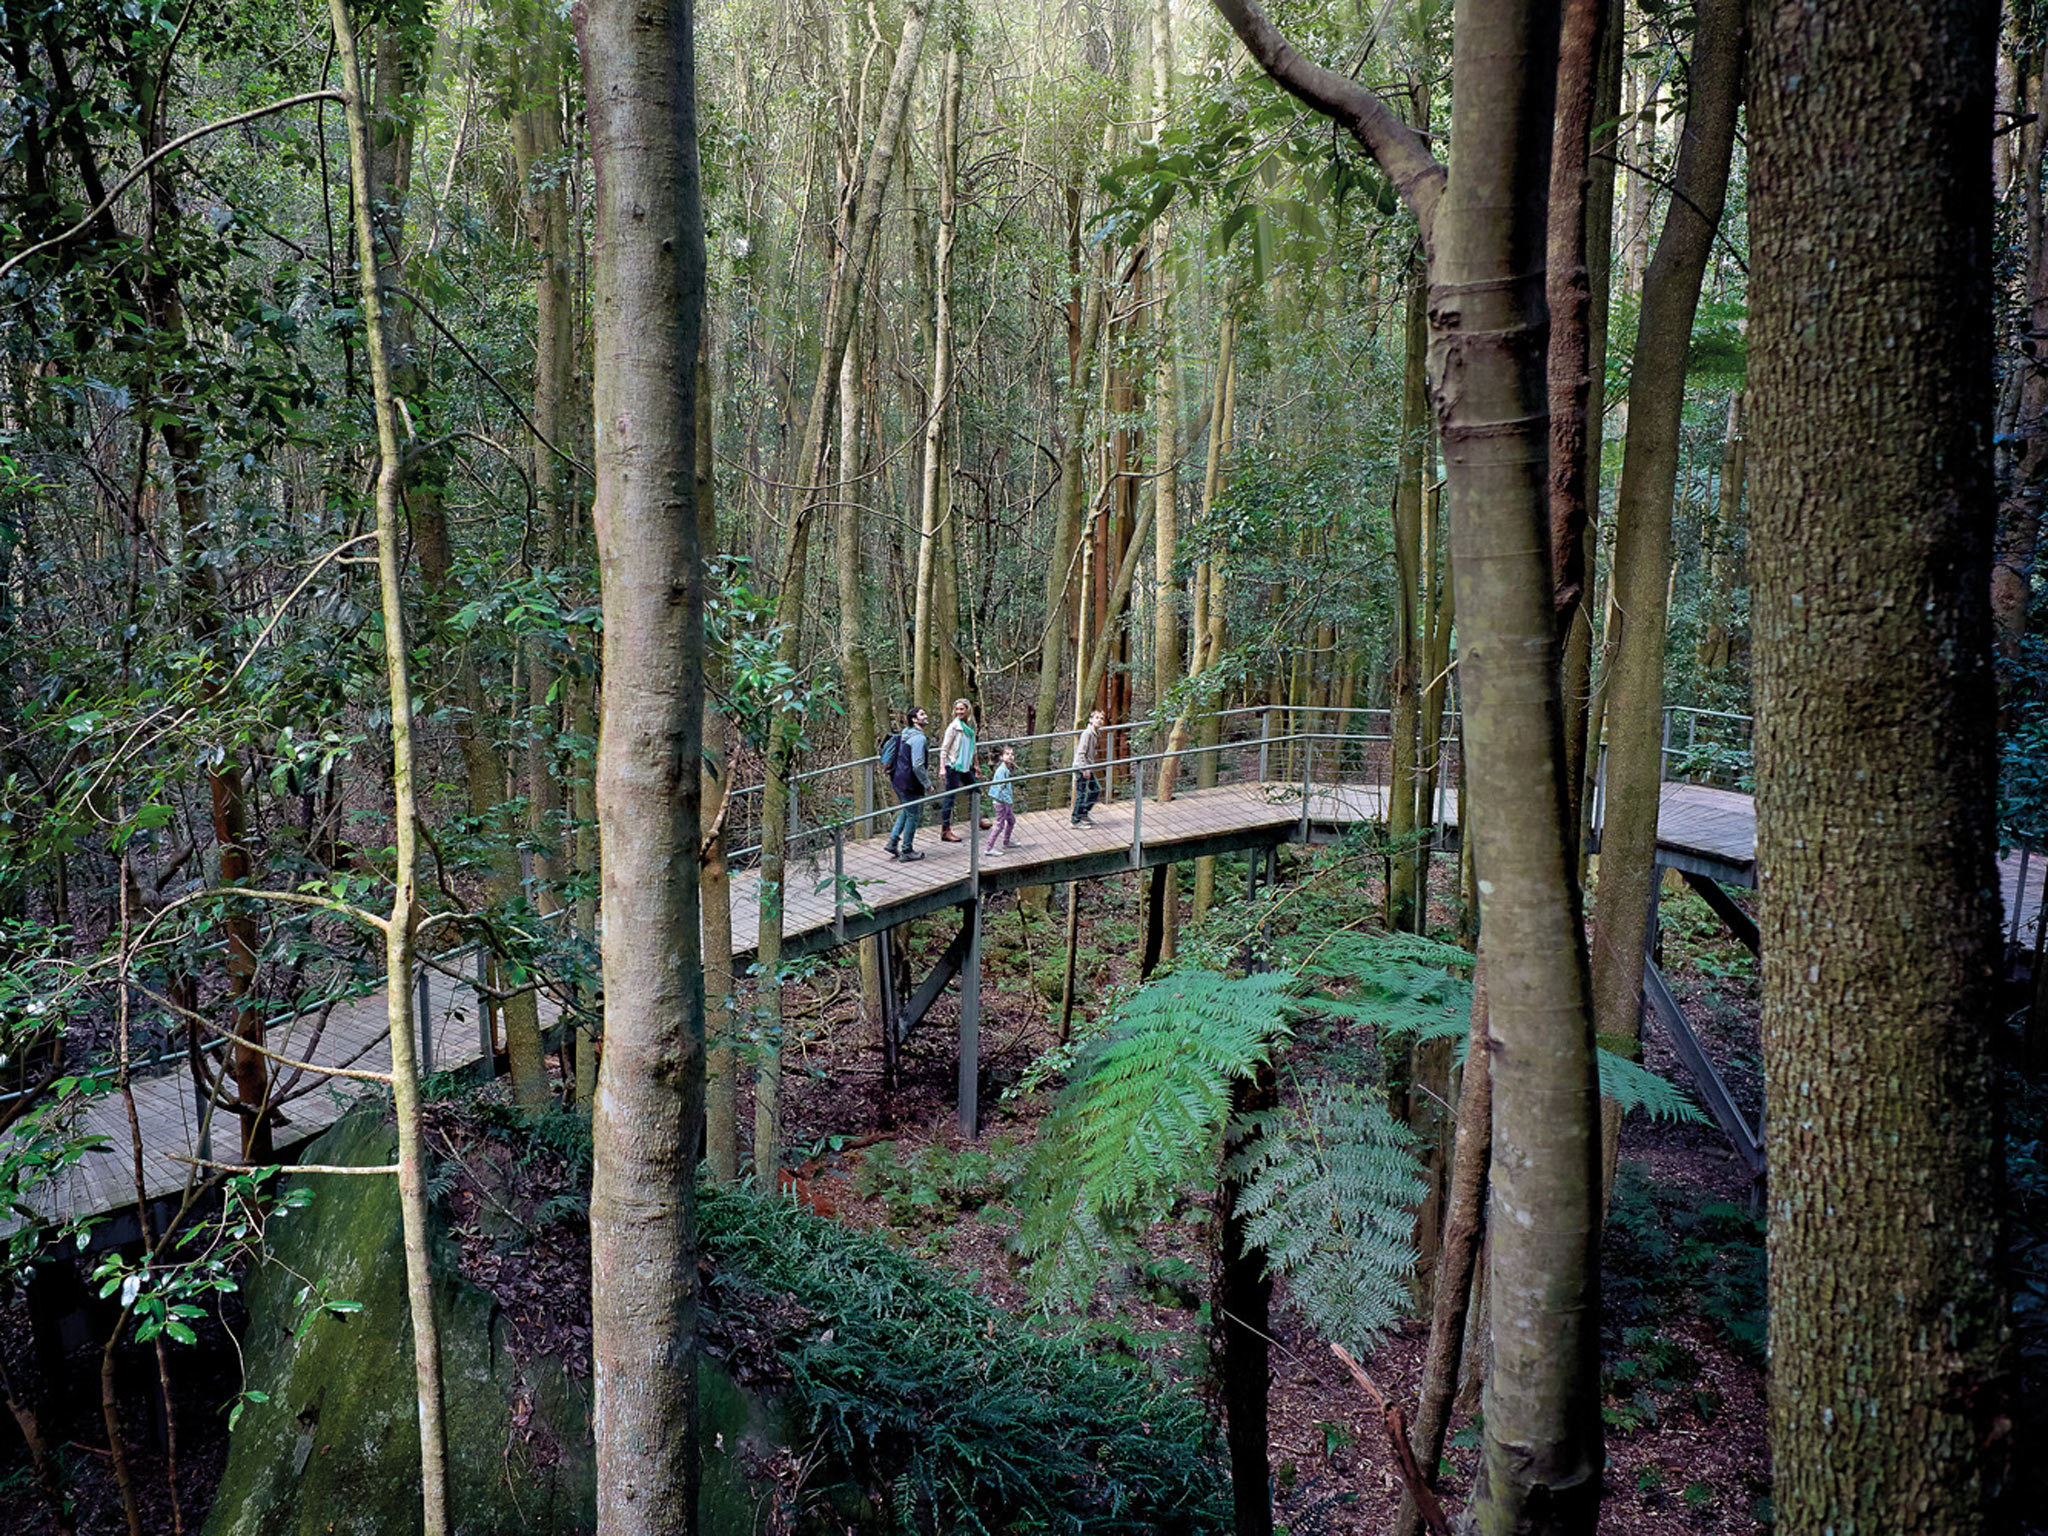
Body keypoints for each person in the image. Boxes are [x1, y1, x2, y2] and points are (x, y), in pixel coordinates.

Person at [885, 706, 930, 861]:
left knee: (907, 810)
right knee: (913, 814)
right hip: (908, 782)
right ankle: (907, 850)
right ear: (914, 719)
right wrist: (927, 784)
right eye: (922, 714)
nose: (926, 716)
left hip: (898, 779)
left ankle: (892, 842)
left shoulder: (905, 733)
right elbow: (917, 764)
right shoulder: (918, 738)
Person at [938, 697, 978, 842]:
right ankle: (945, 830)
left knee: (975, 790)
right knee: (950, 797)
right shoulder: (954, 727)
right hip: (953, 765)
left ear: (967, 710)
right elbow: (944, 748)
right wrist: (942, 767)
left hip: (965, 766)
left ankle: (976, 818)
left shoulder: (970, 727)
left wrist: (977, 765)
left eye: (962, 709)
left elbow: (973, 748)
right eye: (957, 709)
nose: (959, 712)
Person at [1072, 708, 1105, 826]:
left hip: (1087, 766)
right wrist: (1085, 770)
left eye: (1101, 718)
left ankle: (1084, 813)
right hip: (1081, 767)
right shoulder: (1087, 733)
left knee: (1096, 789)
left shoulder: (1095, 733)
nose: (1100, 720)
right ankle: (1075, 820)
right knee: (1081, 793)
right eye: (1097, 718)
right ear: (1091, 720)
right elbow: (1081, 753)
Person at [984, 745, 1018, 854]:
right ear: (1001, 757)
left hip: (1005, 801)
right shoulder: (1001, 771)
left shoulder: (1006, 769)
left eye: (1012, 754)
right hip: (1001, 802)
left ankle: (1006, 841)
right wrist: (1007, 801)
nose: (1010, 756)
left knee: (1011, 821)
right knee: (999, 825)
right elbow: (1000, 788)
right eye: (1007, 754)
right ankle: (988, 848)